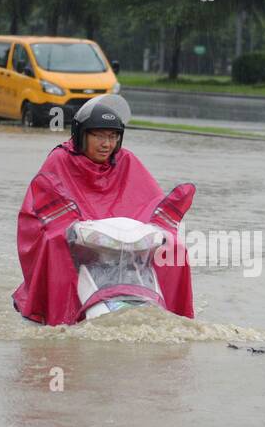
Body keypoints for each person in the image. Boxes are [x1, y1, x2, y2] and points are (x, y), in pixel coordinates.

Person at [12, 94, 195, 325]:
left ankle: (175, 318)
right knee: (55, 242)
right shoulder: (60, 159)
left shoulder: (126, 160)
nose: (106, 144)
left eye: (113, 136)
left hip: (121, 240)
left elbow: (150, 200)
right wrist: (71, 227)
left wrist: (161, 228)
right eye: (98, 136)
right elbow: (40, 209)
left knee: (175, 247)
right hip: (77, 238)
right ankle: (58, 318)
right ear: (81, 135)